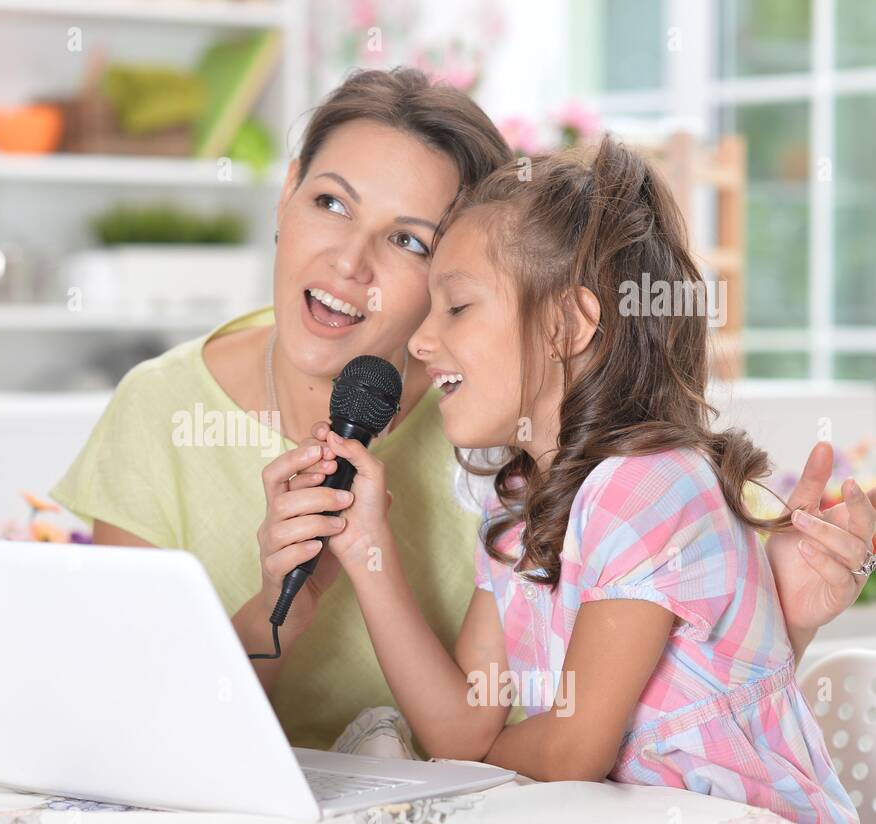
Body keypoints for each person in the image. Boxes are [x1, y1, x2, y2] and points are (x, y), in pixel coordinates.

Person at [50, 67, 875, 755]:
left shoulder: (511, 450)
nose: (348, 260)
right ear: (285, 196)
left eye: (409, 243)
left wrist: (782, 614)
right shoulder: (163, 408)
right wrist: (290, 596)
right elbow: (136, 730)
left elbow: (660, 709)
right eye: (330, 202)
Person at [308, 138, 868, 824]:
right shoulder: (517, 502)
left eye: (457, 307)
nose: (420, 339)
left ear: (568, 325)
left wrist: (454, 785)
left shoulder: (649, 482)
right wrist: (368, 548)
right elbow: (463, 729)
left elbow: (571, 748)